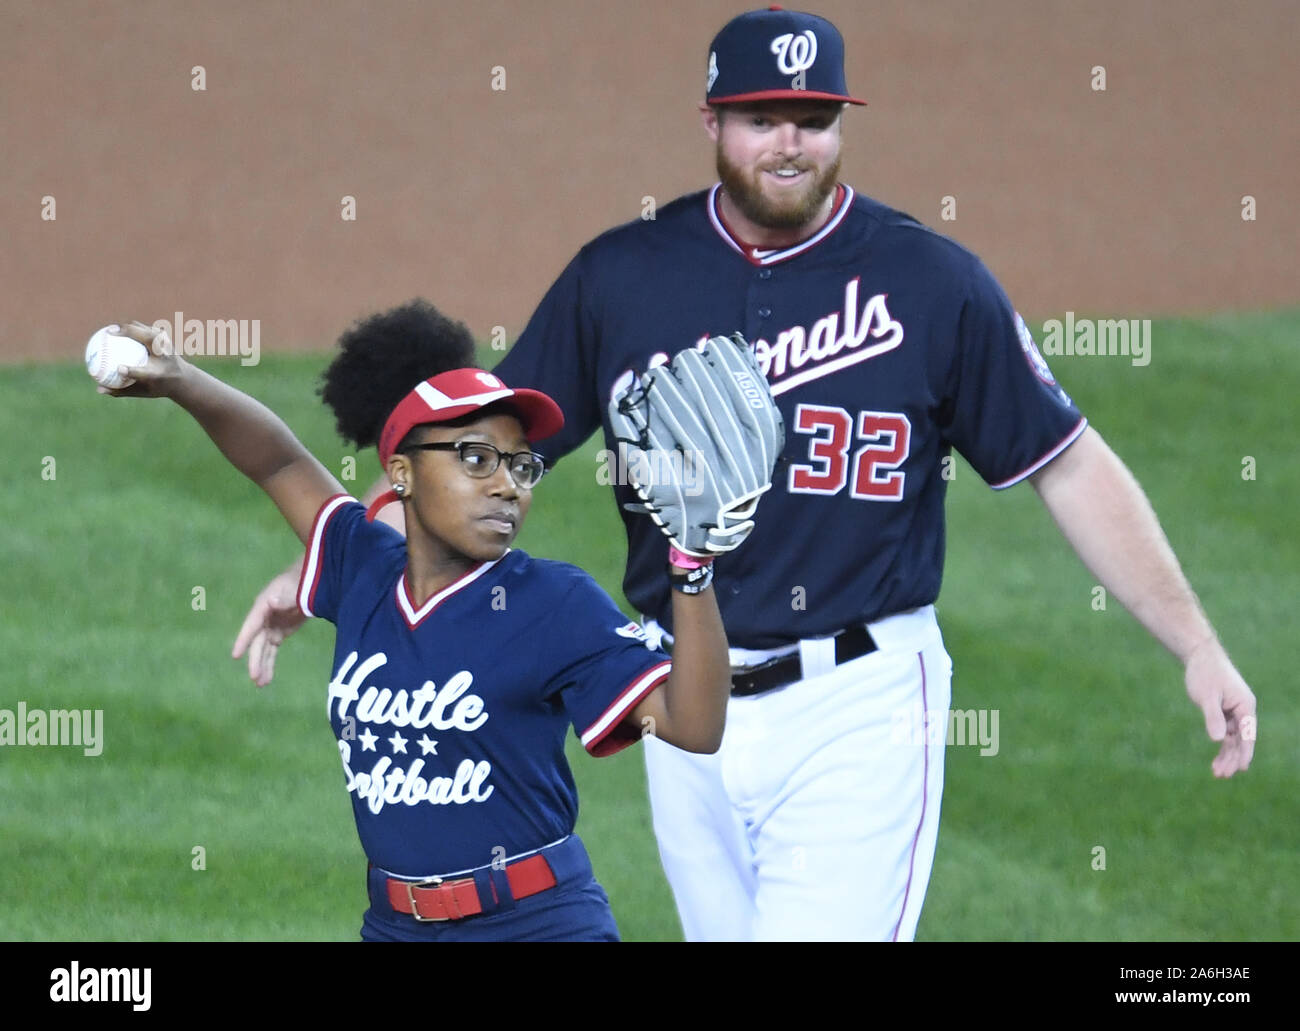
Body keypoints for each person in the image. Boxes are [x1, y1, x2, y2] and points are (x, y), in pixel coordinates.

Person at [235, 9, 1257, 941]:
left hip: (858, 703)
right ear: (712, 122)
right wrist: (362, 552)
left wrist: (1195, 641)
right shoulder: (622, 276)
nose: (789, 142)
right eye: (762, 117)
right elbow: (476, 443)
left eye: (812, 118)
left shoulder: (931, 283)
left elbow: (1065, 460)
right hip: (686, 709)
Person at [101, 300, 739, 941]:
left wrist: (693, 568)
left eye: (520, 465)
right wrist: (184, 381)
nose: (507, 485)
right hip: (396, 927)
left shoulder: (554, 602)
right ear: (401, 474)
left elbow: (694, 725)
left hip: (535, 923)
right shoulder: (361, 567)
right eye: (474, 458)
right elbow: (279, 462)